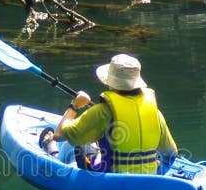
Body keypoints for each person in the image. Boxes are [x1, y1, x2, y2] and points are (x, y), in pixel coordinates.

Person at [49, 53, 177, 174]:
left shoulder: (102, 112)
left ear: (110, 82)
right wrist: (156, 175)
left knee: (82, 143)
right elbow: (171, 154)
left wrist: (75, 105)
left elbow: (59, 134)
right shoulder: (155, 113)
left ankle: (53, 154)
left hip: (111, 180)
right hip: (147, 179)